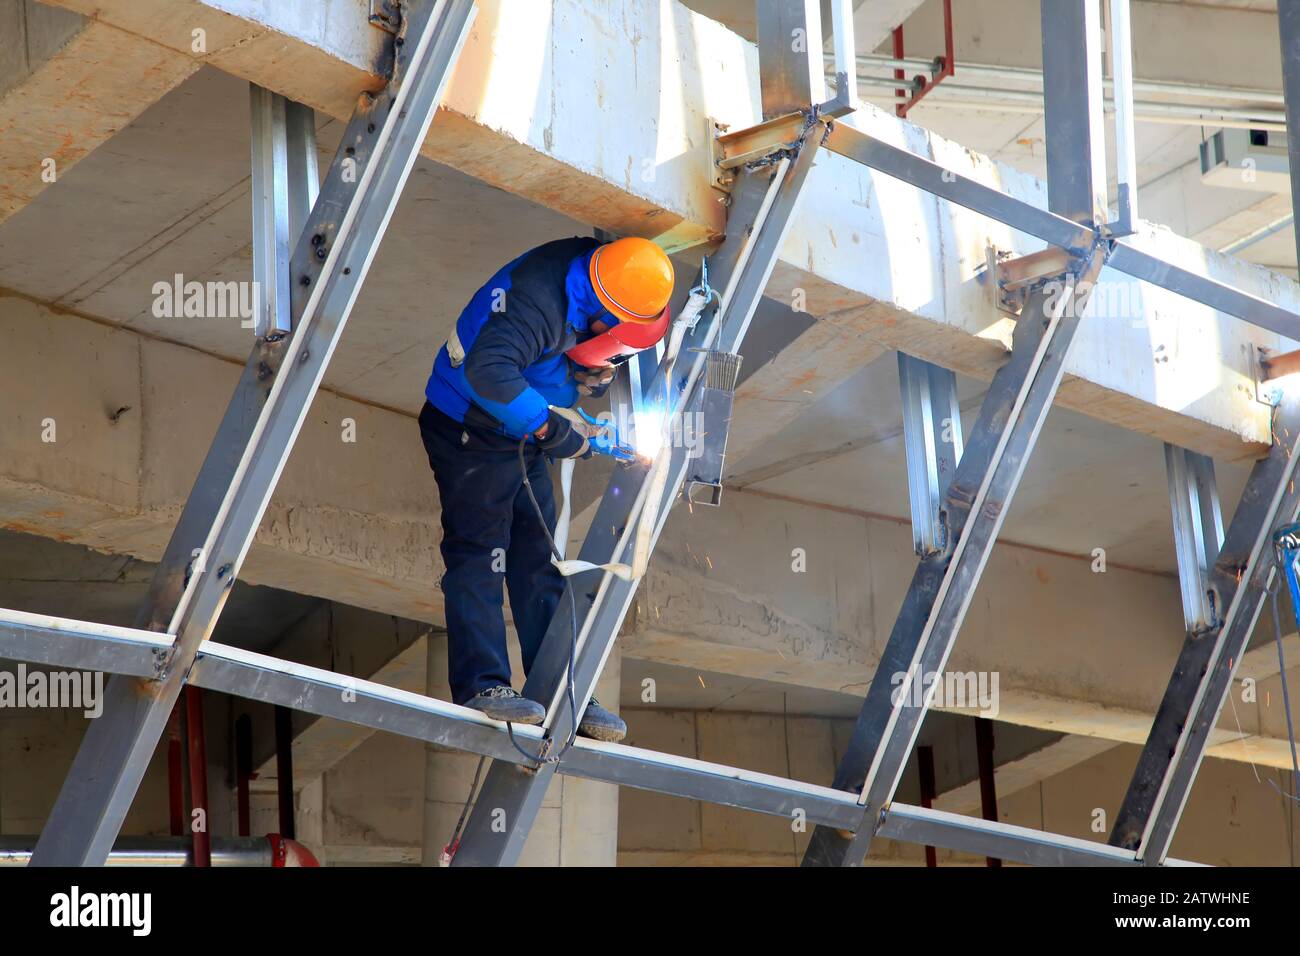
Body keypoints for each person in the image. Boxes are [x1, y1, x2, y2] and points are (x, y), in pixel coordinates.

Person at [420, 235, 674, 742]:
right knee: (480, 554)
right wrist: (548, 429)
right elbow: (488, 372)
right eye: (617, 344)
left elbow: (550, 354)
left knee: (539, 560)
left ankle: (564, 689)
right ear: (605, 315)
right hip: (470, 429)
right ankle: (483, 685)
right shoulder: (536, 304)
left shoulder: (601, 278)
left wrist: (585, 377)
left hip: (517, 431)